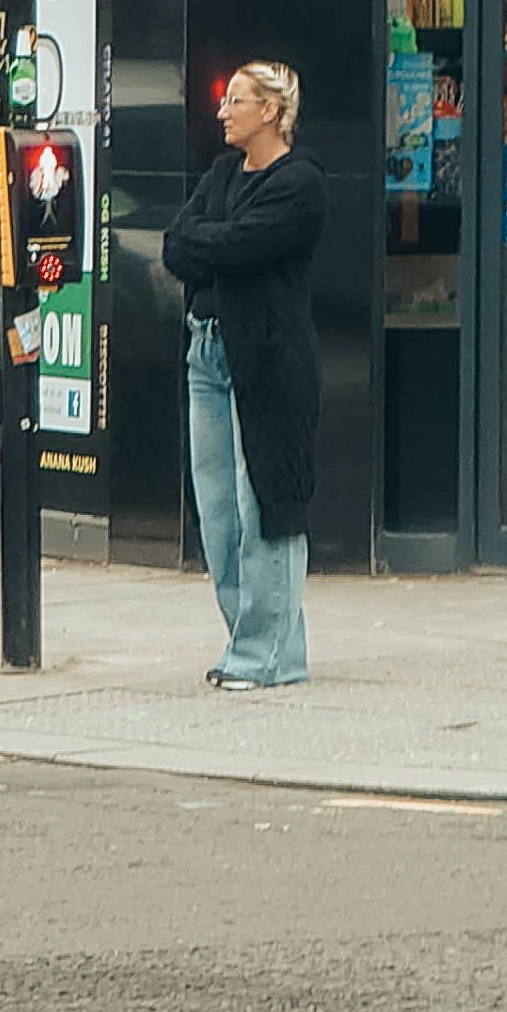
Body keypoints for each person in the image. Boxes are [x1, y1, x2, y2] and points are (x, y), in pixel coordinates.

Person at [164, 60, 325, 691]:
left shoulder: (302, 183)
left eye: (237, 100)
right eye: (225, 99)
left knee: (265, 505)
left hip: (267, 360)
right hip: (206, 351)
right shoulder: (224, 172)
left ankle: (265, 656)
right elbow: (178, 244)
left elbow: (240, 248)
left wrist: (215, 244)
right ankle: (257, 645)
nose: (223, 111)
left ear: (271, 111)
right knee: (218, 512)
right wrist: (215, 244)